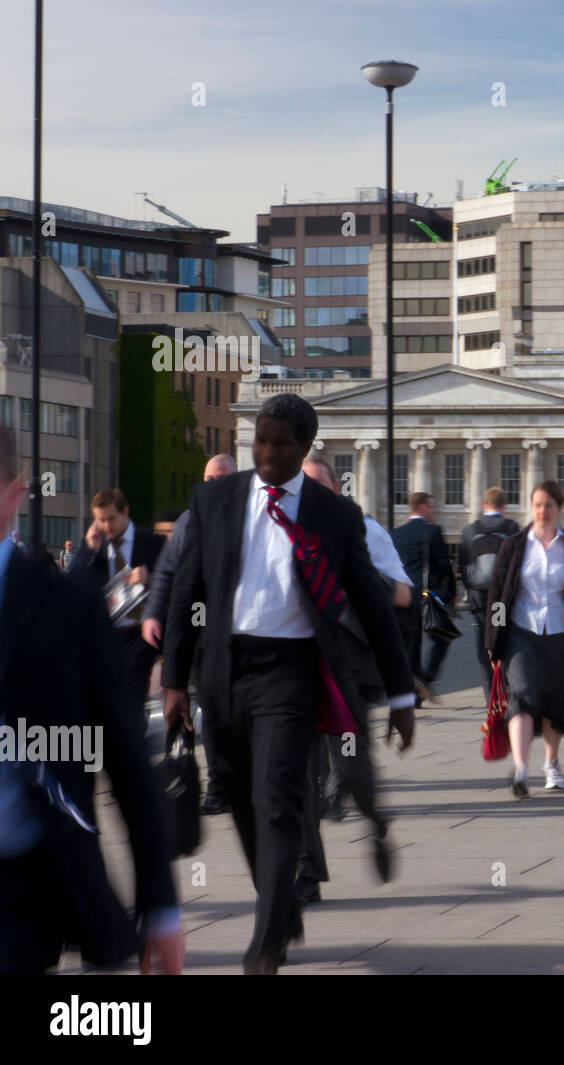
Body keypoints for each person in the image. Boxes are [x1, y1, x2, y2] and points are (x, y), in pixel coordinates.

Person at [162, 394, 415, 974]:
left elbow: (375, 608)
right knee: (238, 794)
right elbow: (186, 591)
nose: (268, 453)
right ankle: (278, 905)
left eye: (281, 444)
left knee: (278, 798)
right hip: (225, 669)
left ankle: (268, 941)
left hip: (293, 672)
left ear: (304, 449)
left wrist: (401, 695)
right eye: (261, 441)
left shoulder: (335, 516)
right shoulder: (215, 499)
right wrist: (175, 681)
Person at [0, 426, 181, 975]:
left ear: (12, 493)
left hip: (21, 885)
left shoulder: (65, 607)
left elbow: (126, 759)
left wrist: (161, 906)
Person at [296, 458, 410, 906]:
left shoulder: (361, 529)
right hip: (297, 670)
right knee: (299, 779)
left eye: (315, 487)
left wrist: (347, 578)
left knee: (350, 771)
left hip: (345, 672)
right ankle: (306, 872)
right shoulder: (280, 530)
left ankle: (376, 821)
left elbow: (401, 592)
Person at [142, 453, 239, 815]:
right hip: (202, 634)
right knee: (207, 710)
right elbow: (167, 572)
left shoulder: (249, 517)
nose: (213, 484)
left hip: (246, 634)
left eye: (221, 478)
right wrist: (153, 614)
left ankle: (242, 779)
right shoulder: (188, 521)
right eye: (208, 478)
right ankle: (214, 785)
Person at [486, 481, 564, 798]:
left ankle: (551, 763)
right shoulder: (514, 546)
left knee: (553, 699)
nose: (542, 511)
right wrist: (493, 640)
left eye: (548, 505)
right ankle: (521, 769)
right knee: (520, 693)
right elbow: (496, 596)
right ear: (529, 508)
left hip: (559, 631)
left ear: (560, 509)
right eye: (536, 505)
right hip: (521, 631)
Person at [66, 488, 168, 725]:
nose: (106, 526)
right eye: (100, 520)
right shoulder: (95, 545)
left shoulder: (152, 542)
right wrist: (88, 552)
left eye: (111, 518)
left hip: (139, 633)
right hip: (105, 635)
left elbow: (177, 579)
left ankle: (132, 741)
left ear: (126, 513)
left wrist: (150, 575)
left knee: (131, 694)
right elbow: (72, 584)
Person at [389, 492, 454, 704]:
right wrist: (451, 593)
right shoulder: (432, 531)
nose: (435, 511)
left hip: (403, 595)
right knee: (443, 637)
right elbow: (444, 565)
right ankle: (426, 679)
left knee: (411, 646)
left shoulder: (395, 534)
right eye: (432, 506)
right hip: (429, 596)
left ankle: (414, 696)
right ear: (423, 507)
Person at [460, 487, 521, 701]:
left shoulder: (469, 531)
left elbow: (463, 566)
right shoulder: (512, 528)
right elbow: (517, 564)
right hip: (500, 598)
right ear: (504, 505)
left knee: (482, 644)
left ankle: (490, 695)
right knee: (500, 637)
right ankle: (504, 684)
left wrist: (470, 590)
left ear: (484, 504)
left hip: (478, 597)